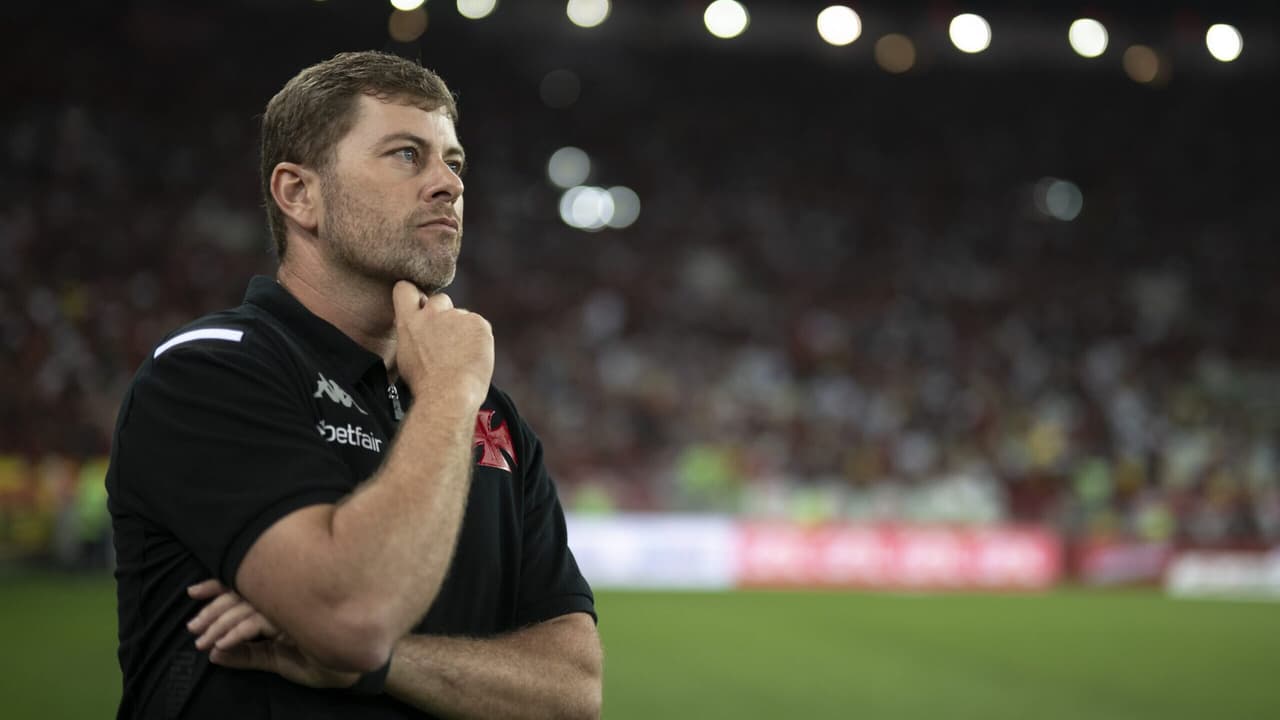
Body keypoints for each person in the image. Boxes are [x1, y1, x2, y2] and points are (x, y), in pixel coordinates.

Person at [105, 50, 602, 719]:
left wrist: (383, 665)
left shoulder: (493, 421)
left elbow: (573, 693)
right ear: (298, 194)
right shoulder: (206, 370)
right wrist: (451, 392)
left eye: (453, 162)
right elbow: (355, 615)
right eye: (406, 154)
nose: (448, 184)